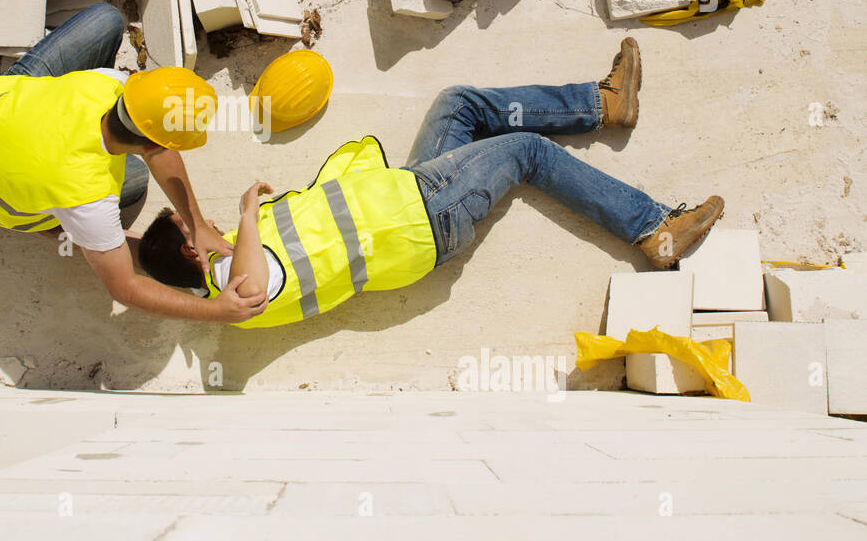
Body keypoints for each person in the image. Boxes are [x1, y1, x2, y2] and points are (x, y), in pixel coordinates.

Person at [138, 39, 724, 327]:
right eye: (191, 223)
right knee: (524, 151)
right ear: (192, 248)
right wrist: (243, 214)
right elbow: (254, 286)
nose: (204, 219)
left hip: (408, 193)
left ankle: (603, 103)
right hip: (426, 217)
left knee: (457, 105)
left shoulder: (226, 267)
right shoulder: (232, 287)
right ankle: (653, 228)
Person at [0, 2, 267, 323]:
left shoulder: (106, 83)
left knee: (108, 19)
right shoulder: (89, 194)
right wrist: (215, 310)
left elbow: (159, 146)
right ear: (152, 144)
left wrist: (196, 225)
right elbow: (124, 287)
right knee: (137, 178)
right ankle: (48, 224)